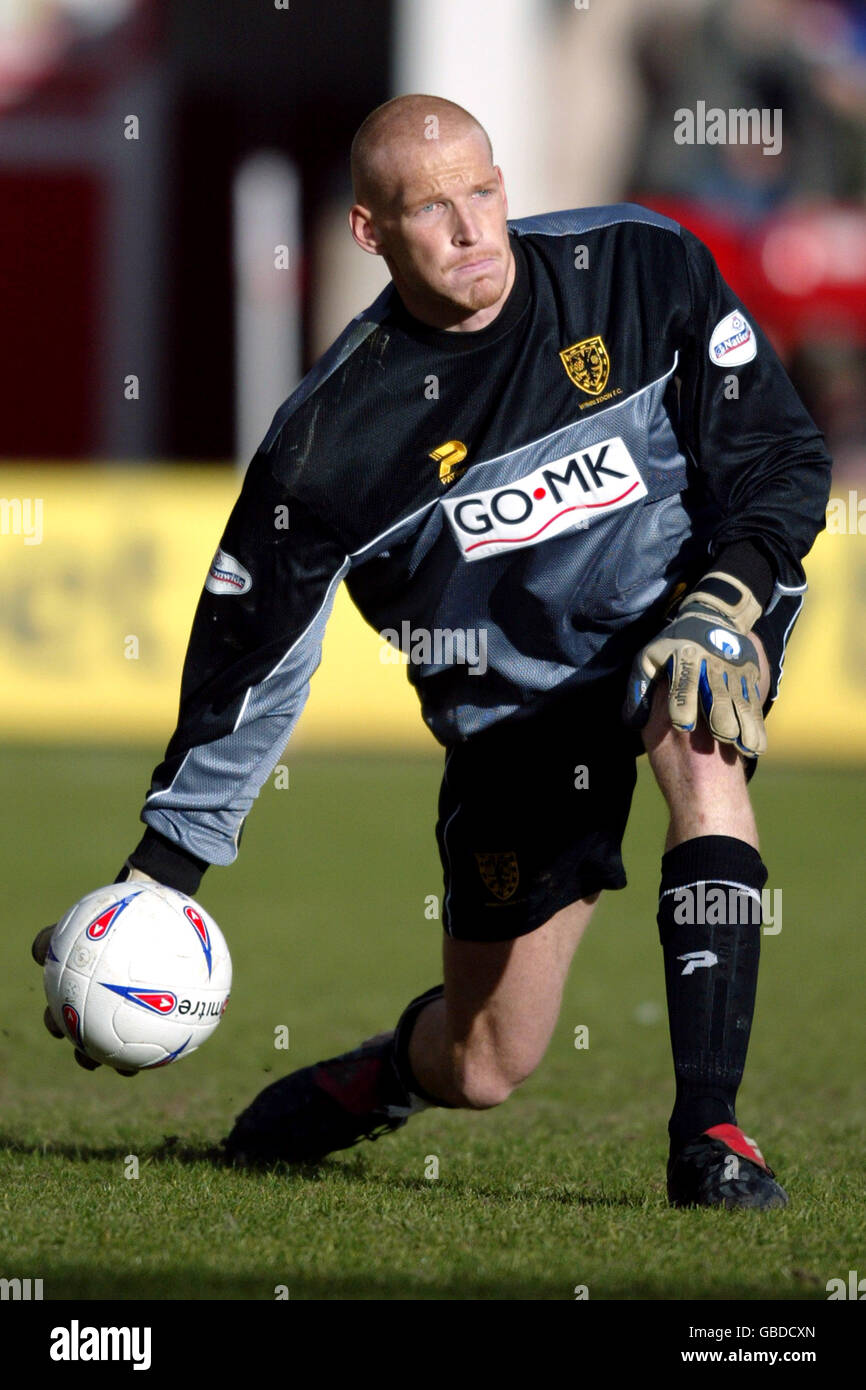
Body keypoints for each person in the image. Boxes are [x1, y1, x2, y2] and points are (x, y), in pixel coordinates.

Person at [34, 95, 831, 1208]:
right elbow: (251, 656)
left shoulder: (639, 270)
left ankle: (710, 1134)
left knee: (696, 735)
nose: (473, 230)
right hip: (510, 711)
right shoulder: (332, 441)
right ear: (369, 231)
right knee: (489, 1060)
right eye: (432, 210)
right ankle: (381, 1074)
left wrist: (725, 597)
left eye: (484, 191)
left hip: (685, 610)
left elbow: (779, 460)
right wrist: (162, 874)